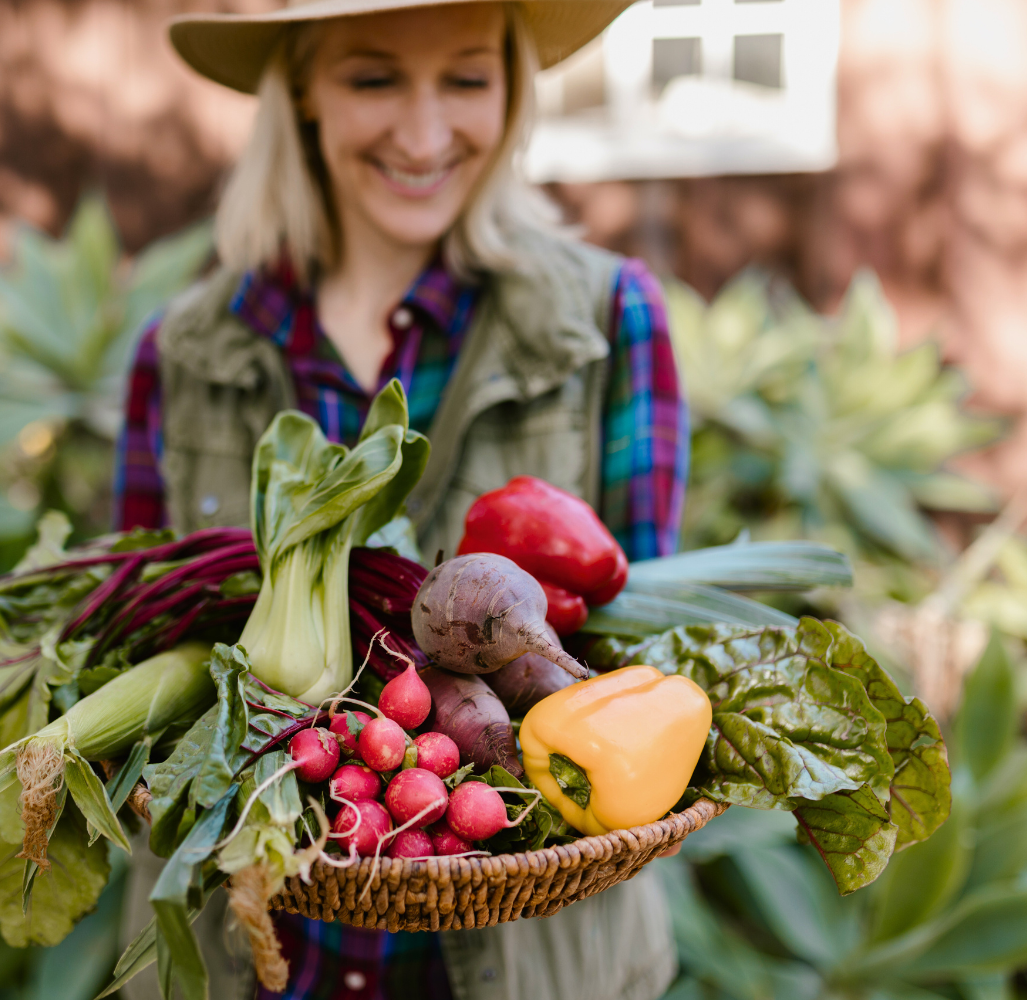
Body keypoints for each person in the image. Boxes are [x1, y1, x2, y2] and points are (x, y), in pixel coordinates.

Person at [112, 0, 689, 996]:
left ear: (511, 93)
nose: (424, 135)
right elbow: (136, 629)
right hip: (245, 951)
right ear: (300, 94)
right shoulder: (184, 350)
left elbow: (638, 652)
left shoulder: (608, 320)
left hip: (532, 959)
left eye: (465, 79)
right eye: (373, 79)